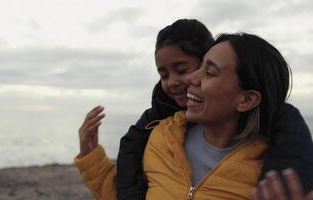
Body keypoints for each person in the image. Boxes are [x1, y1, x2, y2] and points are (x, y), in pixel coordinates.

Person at [76, 32, 313, 199]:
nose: (190, 78)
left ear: (246, 99)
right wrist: (91, 158)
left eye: (209, 71)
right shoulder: (161, 137)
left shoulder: (275, 171)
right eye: (199, 66)